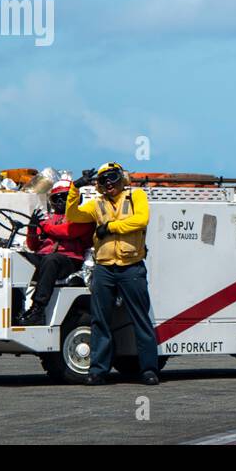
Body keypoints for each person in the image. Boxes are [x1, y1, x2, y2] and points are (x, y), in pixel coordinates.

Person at [65, 162, 159, 385]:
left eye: (113, 177)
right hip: (105, 268)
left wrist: (110, 227)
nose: (109, 182)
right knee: (100, 321)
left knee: (140, 320)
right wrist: (74, 188)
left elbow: (141, 220)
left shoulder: (135, 196)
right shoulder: (96, 204)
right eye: (104, 179)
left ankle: (148, 370)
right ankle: (98, 371)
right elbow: (73, 216)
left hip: (131, 266)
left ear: (121, 178)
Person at [17, 180, 95, 326]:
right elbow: (33, 246)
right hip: (45, 259)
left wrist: (43, 226)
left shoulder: (82, 216)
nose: (60, 201)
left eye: (64, 197)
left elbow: (67, 232)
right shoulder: (48, 219)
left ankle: (37, 309)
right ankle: (15, 307)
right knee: (15, 259)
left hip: (69, 261)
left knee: (52, 260)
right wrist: (32, 229)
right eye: (56, 198)